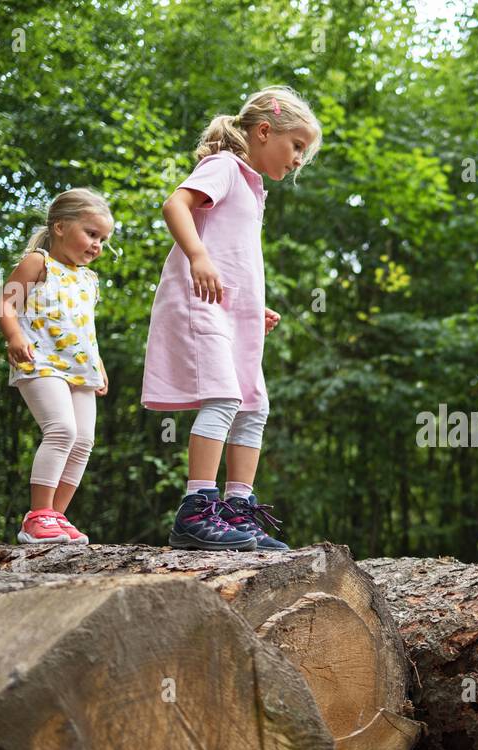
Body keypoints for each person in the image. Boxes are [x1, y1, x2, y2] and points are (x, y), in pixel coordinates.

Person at [142, 85, 322, 550]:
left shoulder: (252, 187)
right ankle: (196, 508)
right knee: (222, 399)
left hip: (230, 314)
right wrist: (197, 256)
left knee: (254, 407)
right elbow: (175, 205)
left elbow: (235, 254)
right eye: (297, 145)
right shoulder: (224, 167)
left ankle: (237, 508)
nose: (300, 158)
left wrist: (249, 307)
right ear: (264, 131)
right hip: (199, 304)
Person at [0, 188, 114, 545]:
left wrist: (98, 363)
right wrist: (14, 337)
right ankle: (37, 515)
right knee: (62, 430)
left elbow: (82, 326)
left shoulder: (89, 279)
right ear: (61, 227)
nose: (97, 245)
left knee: (83, 440)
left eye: (103, 239)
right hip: (41, 362)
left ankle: (56, 515)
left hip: (80, 369)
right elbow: (4, 303)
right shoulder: (39, 263)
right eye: (91, 234)